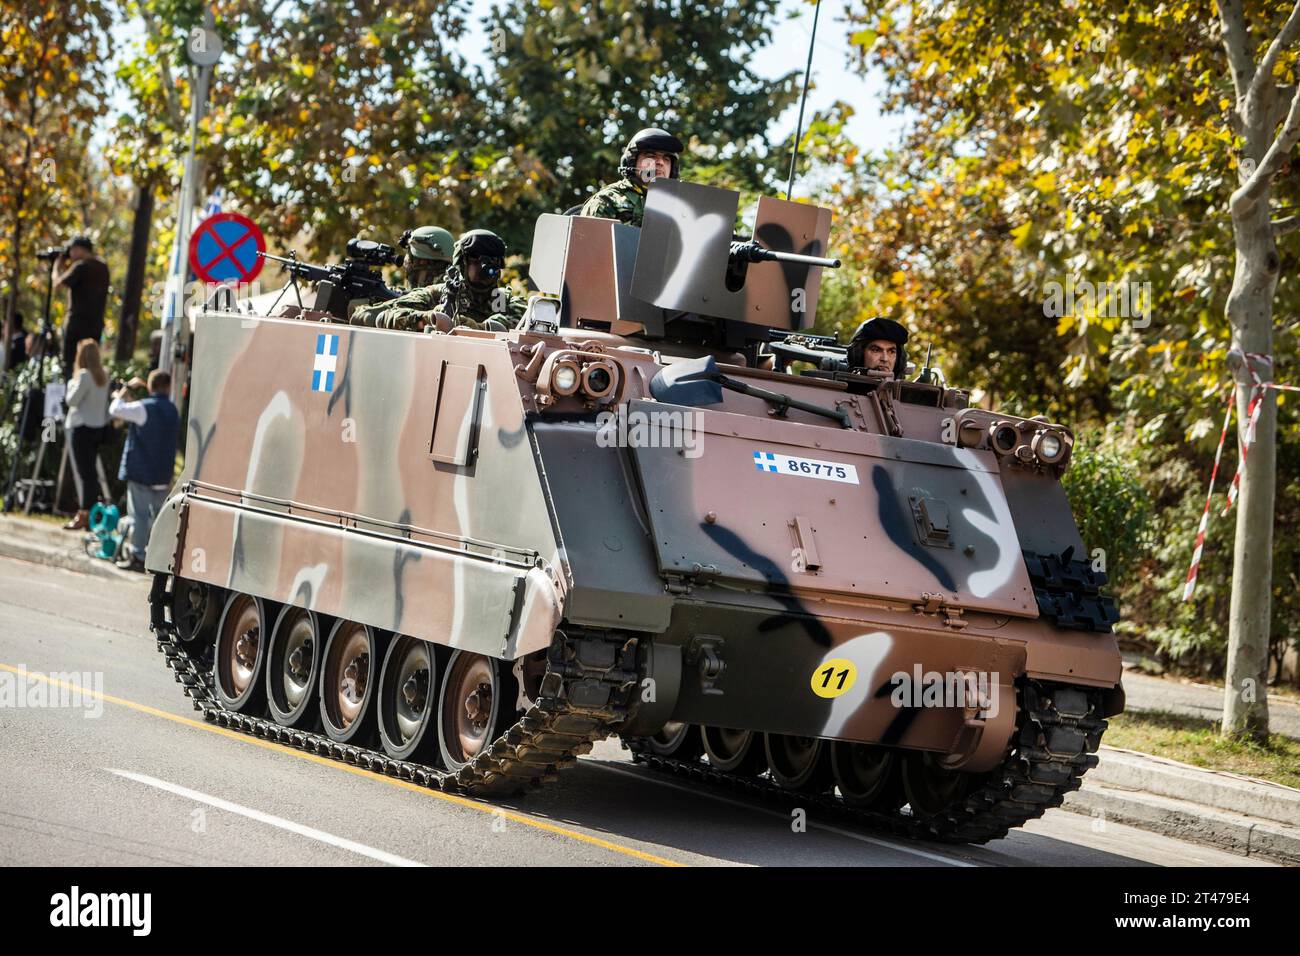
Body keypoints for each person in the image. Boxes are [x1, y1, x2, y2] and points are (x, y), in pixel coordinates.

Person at [108, 369, 180, 572]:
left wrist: (124, 391)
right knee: (159, 518)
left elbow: (115, 409)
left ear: (150, 387)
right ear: (168, 387)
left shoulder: (143, 408)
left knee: (139, 516)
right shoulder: (173, 410)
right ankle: (159, 558)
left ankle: (138, 555)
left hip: (142, 472)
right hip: (163, 473)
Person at [351, 225, 455, 329]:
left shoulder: (440, 303)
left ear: (422, 263)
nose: (406, 261)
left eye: (409, 255)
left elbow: (362, 316)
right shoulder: (454, 296)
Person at [580, 127, 684, 226]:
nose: (660, 162)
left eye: (666, 158)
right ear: (631, 162)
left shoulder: (680, 208)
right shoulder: (607, 201)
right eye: (651, 156)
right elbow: (587, 242)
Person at [62, 339, 111, 531]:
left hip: (81, 428)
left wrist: (70, 382)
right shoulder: (103, 375)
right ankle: (91, 513)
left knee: (85, 475)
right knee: (91, 474)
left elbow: (71, 401)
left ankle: (85, 514)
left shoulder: (83, 376)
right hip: (97, 428)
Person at [52, 236, 110, 377]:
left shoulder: (81, 266)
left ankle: (70, 392)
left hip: (76, 323)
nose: (70, 255)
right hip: (95, 324)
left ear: (78, 249)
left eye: (71, 250)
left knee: (69, 364)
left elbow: (58, 284)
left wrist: (56, 266)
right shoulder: (102, 267)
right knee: (91, 363)